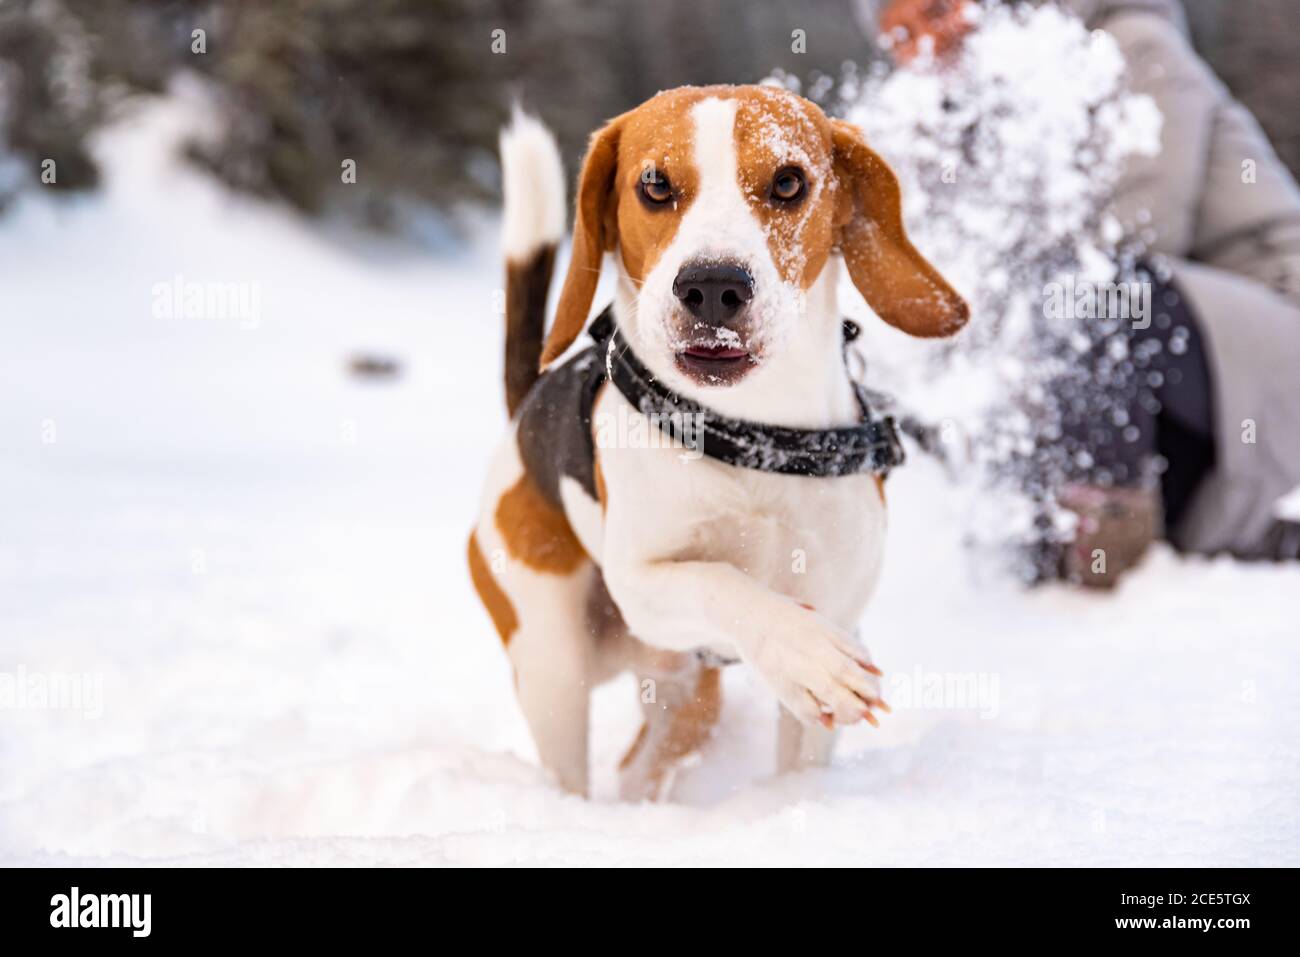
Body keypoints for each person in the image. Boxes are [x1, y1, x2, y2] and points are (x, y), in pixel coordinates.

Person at [875, 0, 1300, 581]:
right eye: (903, 33)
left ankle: (1101, 560)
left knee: (1086, 291)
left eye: (939, 10)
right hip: (1173, 399)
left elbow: (1142, 229)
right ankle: (1036, 547)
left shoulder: (1129, 46)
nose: (930, 40)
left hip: (1269, 349)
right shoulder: (966, 122)